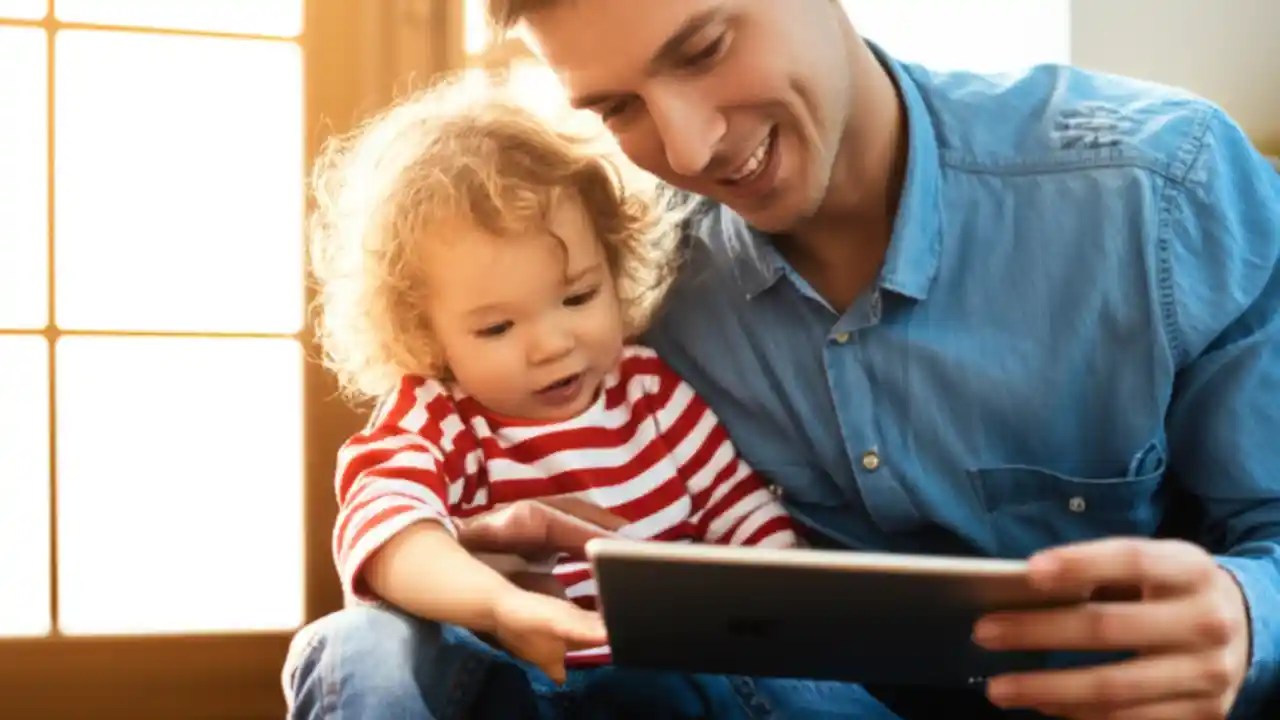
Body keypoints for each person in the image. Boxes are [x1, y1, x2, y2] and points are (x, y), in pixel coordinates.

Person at [287, 0, 1280, 717]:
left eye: (704, 47)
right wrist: (483, 580)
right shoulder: (624, 275)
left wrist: (1246, 615)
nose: (688, 149)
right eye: (617, 108)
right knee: (363, 643)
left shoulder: (1160, 190)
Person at [289, 70, 900, 719]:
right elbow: (386, 527)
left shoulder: (649, 391)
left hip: (670, 675)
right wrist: (502, 606)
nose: (552, 344)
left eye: (578, 296)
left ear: (615, 266)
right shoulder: (439, 417)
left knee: (809, 682)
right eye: (497, 328)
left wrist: (782, 623)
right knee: (351, 644)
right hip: (516, 685)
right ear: (424, 334)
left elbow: (746, 522)